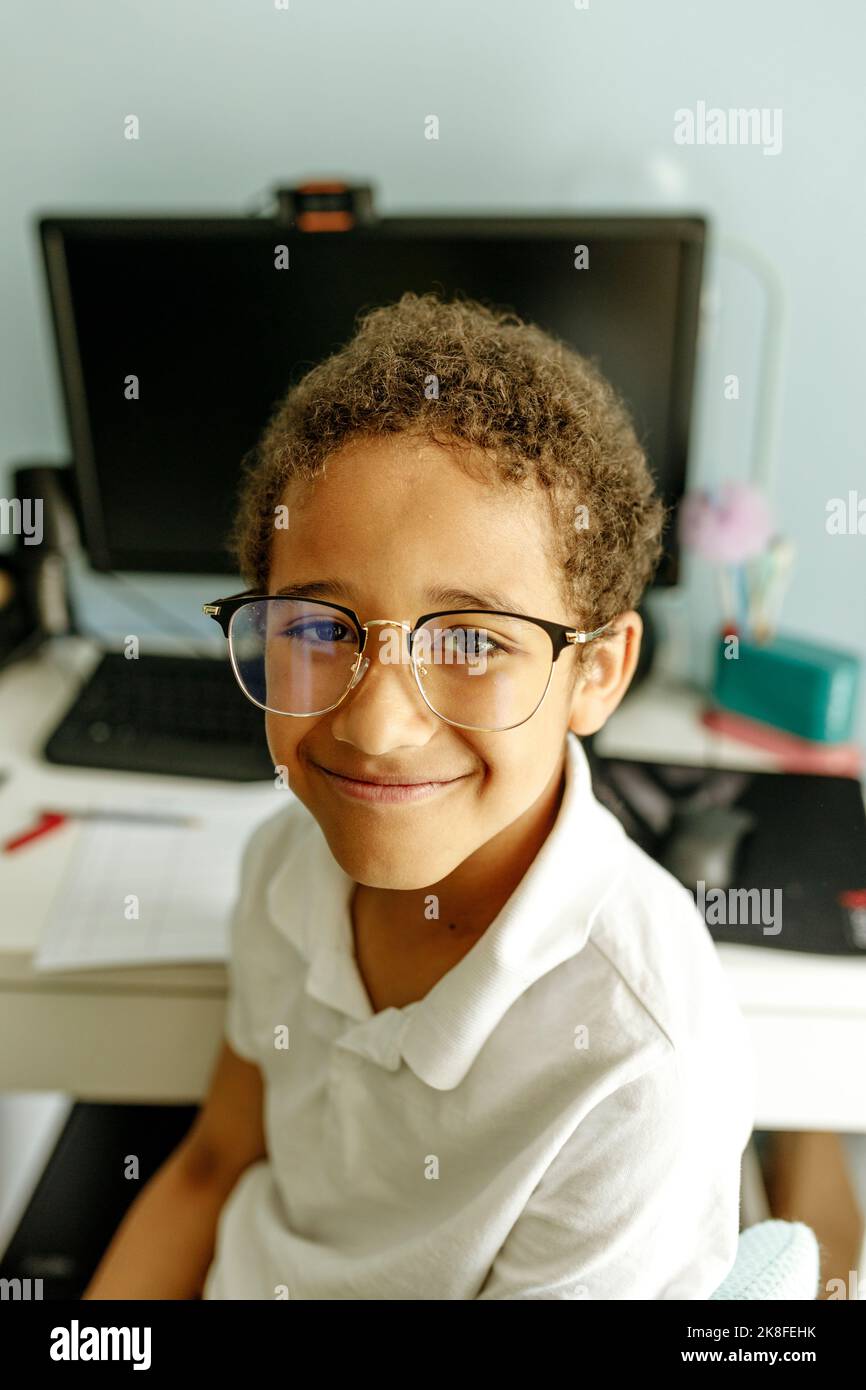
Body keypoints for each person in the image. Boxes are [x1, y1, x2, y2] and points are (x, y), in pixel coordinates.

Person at [84, 291, 755, 1300]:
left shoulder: (634, 1056)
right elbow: (216, 1165)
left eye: (472, 640)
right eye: (316, 628)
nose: (374, 726)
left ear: (596, 674)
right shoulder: (285, 862)